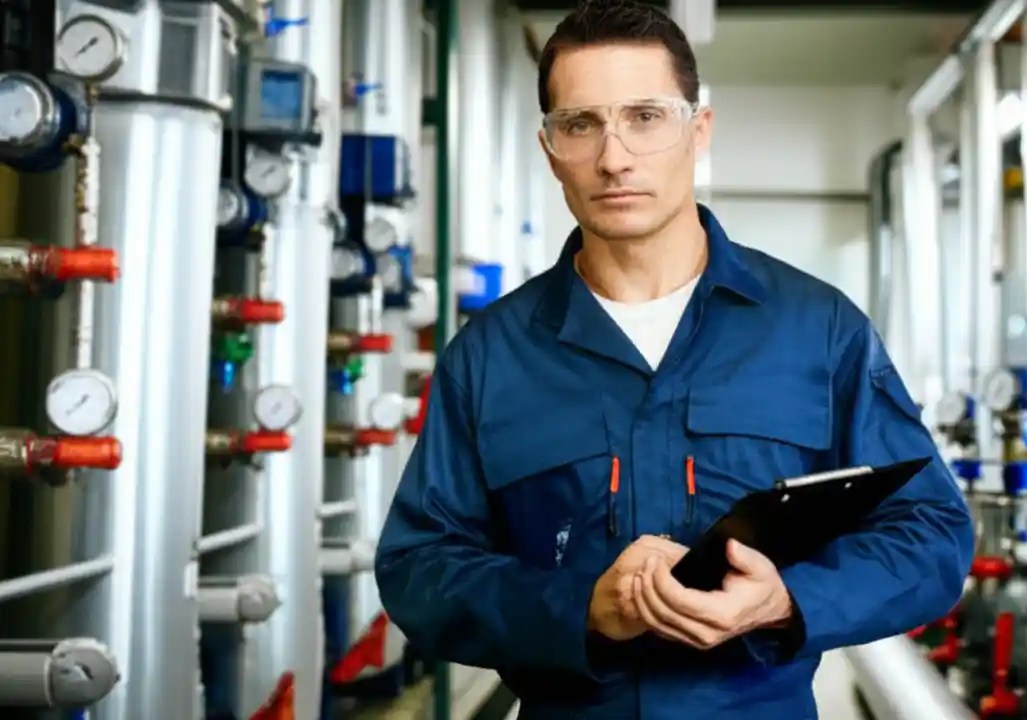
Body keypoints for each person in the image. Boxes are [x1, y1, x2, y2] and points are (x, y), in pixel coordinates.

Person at [375, 1, 974, 717]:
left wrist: (787, 601)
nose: (614, 156)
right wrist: (582, 608)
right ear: (550, 149)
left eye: (645, 117)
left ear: (699, 131)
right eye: (581, 124)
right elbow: (420, 568)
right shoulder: (490, 355)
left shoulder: (818, 329)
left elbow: (931, 533)